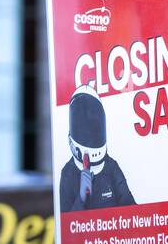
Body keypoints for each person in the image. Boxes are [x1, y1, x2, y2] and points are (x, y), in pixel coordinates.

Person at [58, 85, 135, 213]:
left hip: (112, 232)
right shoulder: (68, 174)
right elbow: (66, 227)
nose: (89, 132)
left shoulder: (111, 168)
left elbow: (132, 212)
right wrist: (81, 199)